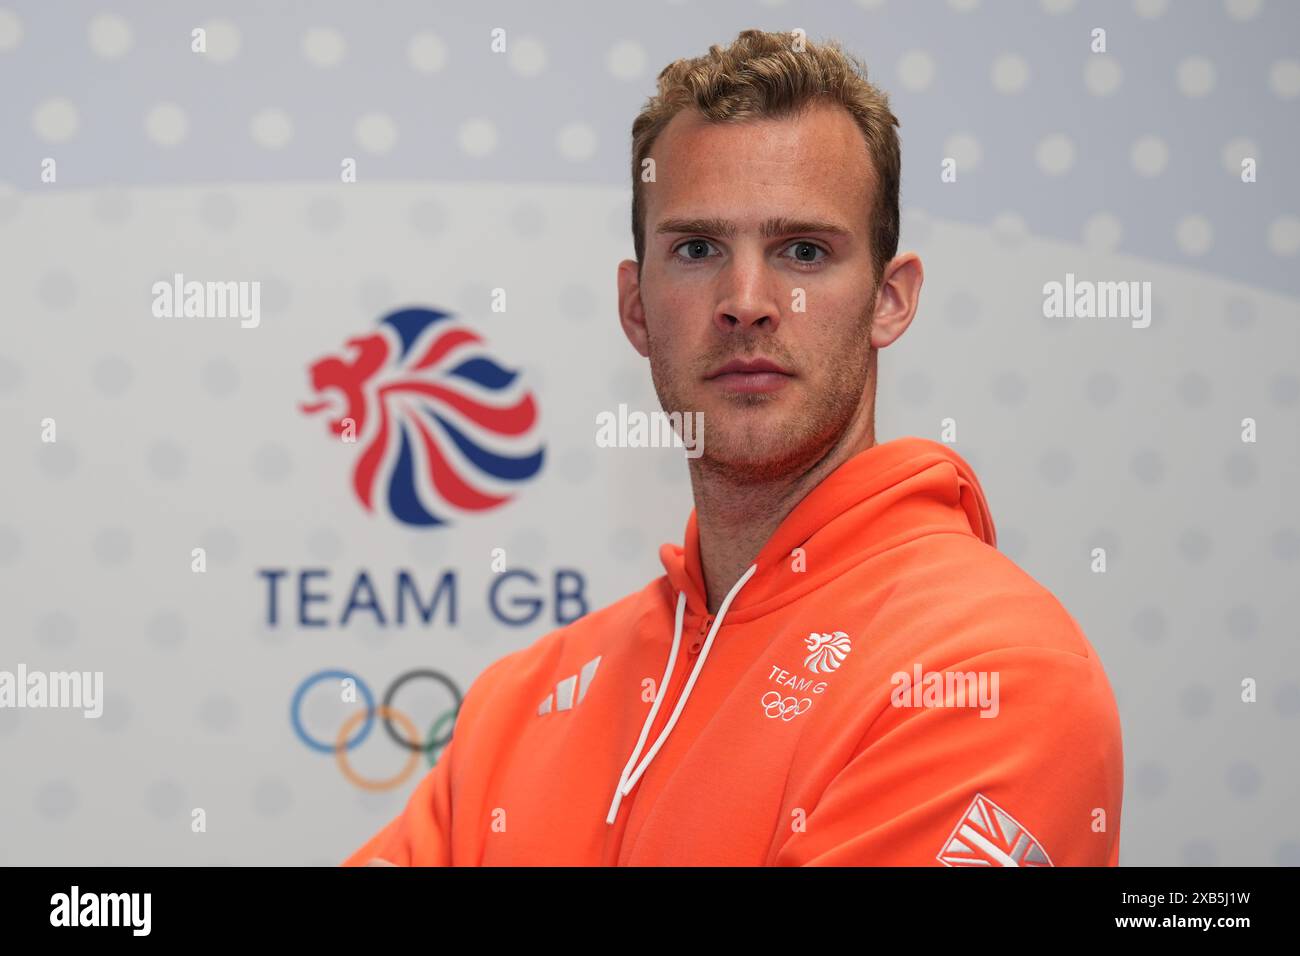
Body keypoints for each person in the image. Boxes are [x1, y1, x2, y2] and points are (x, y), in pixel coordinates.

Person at [343, 28, 1123, 867]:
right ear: (636, 309)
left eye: (803, 251)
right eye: (698, 249)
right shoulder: (519, 703)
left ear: (890, 302)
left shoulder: (989, 674)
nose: (747, 300)